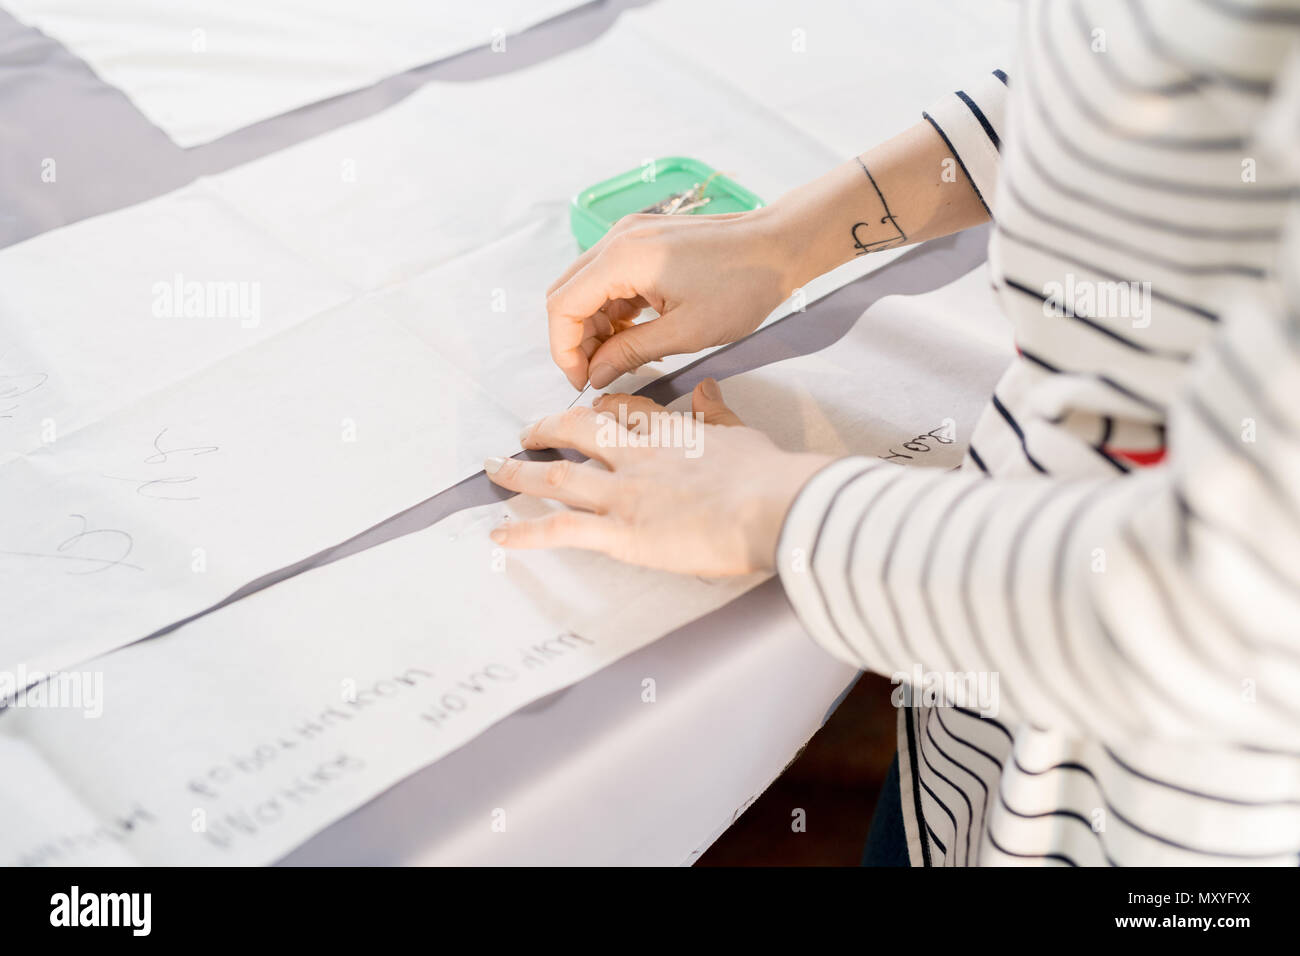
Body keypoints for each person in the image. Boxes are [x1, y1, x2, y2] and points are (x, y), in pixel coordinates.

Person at [482, 0, 1300, 865]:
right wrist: (783, 239)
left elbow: (1236, 602)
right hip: (972, 741)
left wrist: (772, 508)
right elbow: (1127, 71)